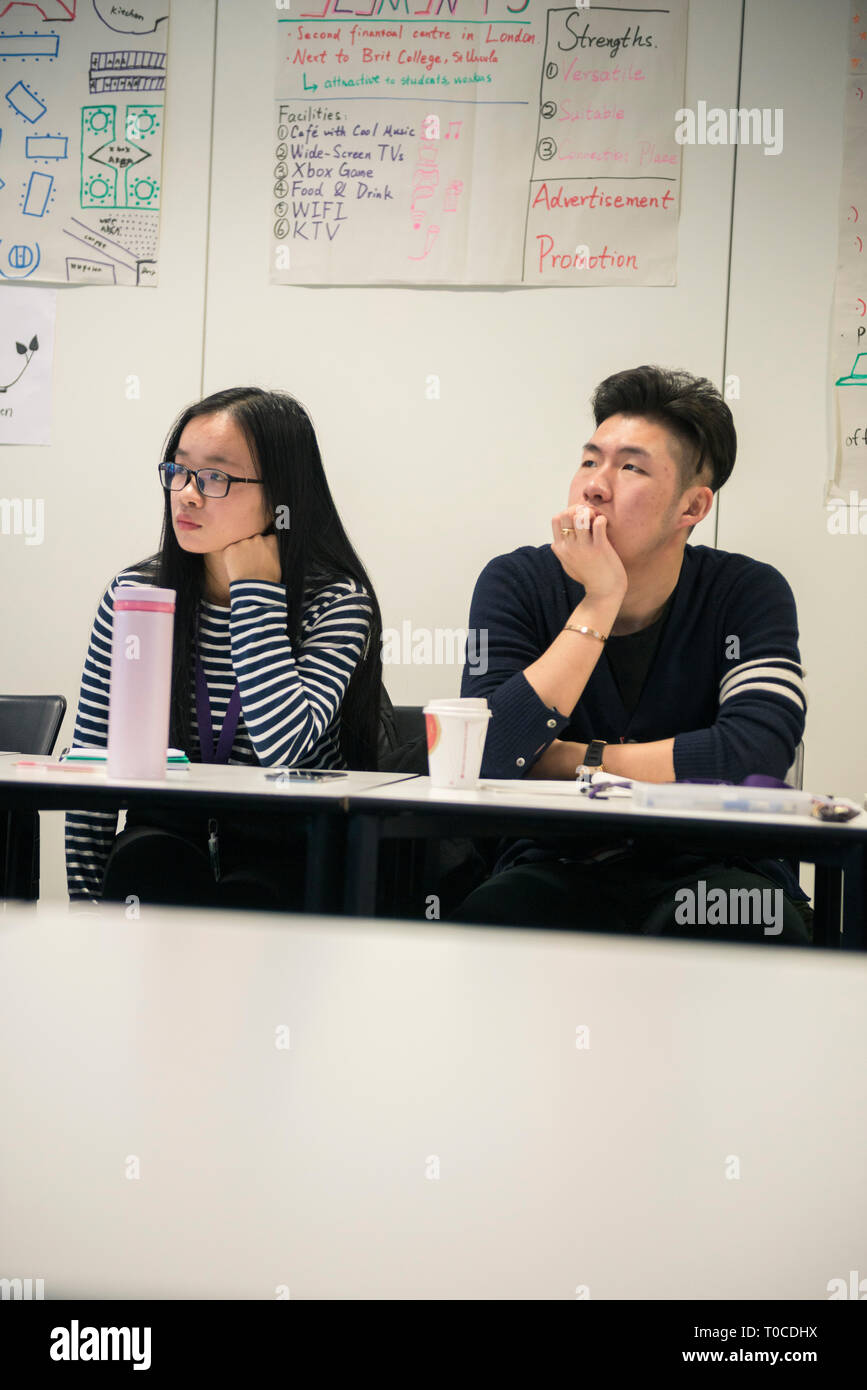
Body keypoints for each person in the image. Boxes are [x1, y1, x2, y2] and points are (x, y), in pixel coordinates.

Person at [454, 365, 812, 943]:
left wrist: (574, 762)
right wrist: (599, 599)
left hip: (716, 867)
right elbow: (490, 750)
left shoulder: (748, 592)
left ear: (692, 508)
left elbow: (755, 755)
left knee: (755, 924)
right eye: (591, 459)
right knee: (489, 923)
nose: (596, 484)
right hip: (555, 861)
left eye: (630, 467)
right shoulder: (517, 581)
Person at [65, 386, 382, 911]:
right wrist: (85, 910)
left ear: (282, 497)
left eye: (215, 478)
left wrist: (255, 595)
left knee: (260, 891)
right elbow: (94, 770)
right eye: (179, 471)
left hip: (288, 850)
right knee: (149, 862)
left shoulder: (336, 603)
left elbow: (283, 747)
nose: (187, 493)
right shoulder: (136, 597)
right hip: (164, 845)